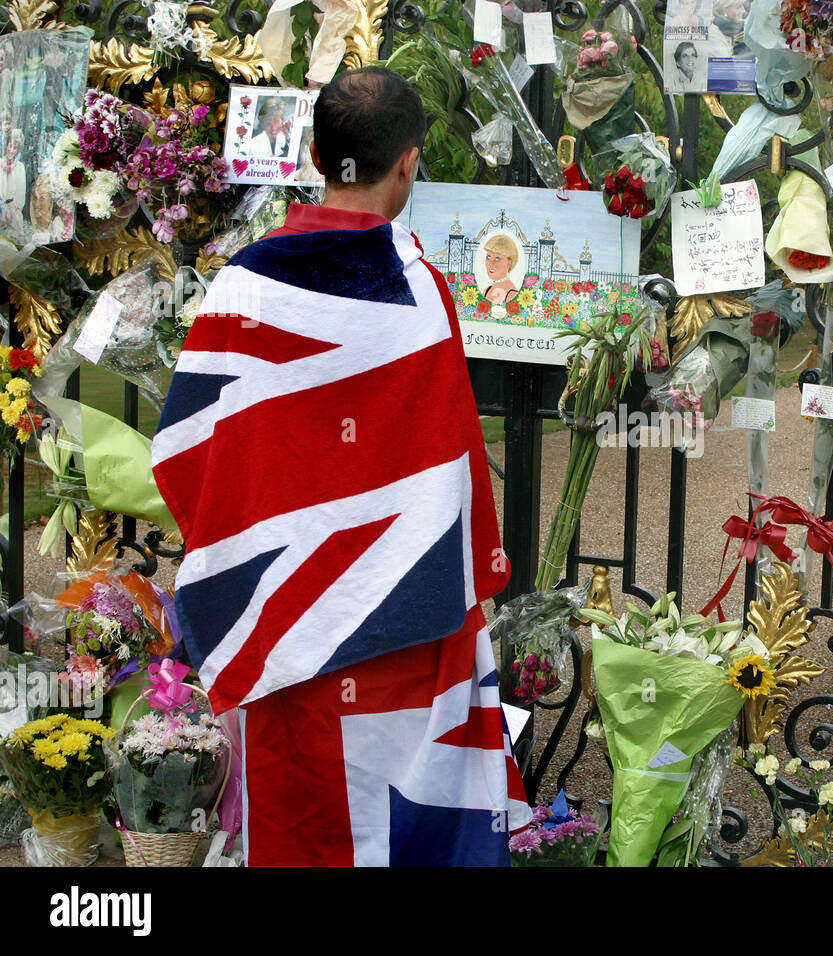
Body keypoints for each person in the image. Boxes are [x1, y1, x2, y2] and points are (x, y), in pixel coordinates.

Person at [152, 67, 529, 866]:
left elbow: (186, 452)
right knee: (412, 830)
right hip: (408, 624)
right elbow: (454, 461)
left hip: (282, 630)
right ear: (407, 162)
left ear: (316, 154)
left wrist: (260, 557)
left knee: (304, 824)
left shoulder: (240, 290)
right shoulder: (420, 290)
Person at [482, 233, 520, 304]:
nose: (491, 263)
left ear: (509, 262)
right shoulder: (486, 291)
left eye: (497, 258)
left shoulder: (512, 294)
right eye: (488, 257)